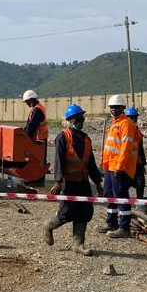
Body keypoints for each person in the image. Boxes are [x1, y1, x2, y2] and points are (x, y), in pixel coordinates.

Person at [44, 104, 104, 255]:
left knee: (84, 212)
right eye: (78, 118)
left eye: (82, 118)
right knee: (67, 212)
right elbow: (58, 160)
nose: (81, 121)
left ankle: (78, 244)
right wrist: (58, 182)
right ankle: (48, 226)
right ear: (70, 120)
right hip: (69, 183)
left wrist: (98, 183)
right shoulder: (63, 137)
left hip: (83, 182)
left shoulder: (86, 139)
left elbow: (91, 164)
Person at [98, 94, 139, 238]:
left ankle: (124, 227)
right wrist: (105, 166)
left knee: (121, 196)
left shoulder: (126, 124)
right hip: (110, 167)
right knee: (109, 195)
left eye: (117, 107)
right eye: (112, 107)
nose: (114, 110)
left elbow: (126, 148)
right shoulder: (114, 124)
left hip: (119, 168)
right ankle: (111, 223)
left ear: (123, 108)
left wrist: (119, 168)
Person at [21, 89, 49, 186]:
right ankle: (36, 179)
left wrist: (25, 137)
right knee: (38, 159)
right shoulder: (37, 108)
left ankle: (38, 181)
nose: (27, 104)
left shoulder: (37, 110)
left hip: (39, 139)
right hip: (39, 138)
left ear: (32, 100)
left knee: (38, 160)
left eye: (27, 102)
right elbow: (29, 125)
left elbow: (31, 126)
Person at [124, 106, 147, 200]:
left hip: (137, 164)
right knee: (124, 187)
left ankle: (139, 205)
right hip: (126, 164)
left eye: (135, 117)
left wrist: (143, 164)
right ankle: (125, 207)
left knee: (140, 184)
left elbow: (140, 149)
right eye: (131, 117)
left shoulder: (138, 132)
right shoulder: (124, 130)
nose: (134, 119)